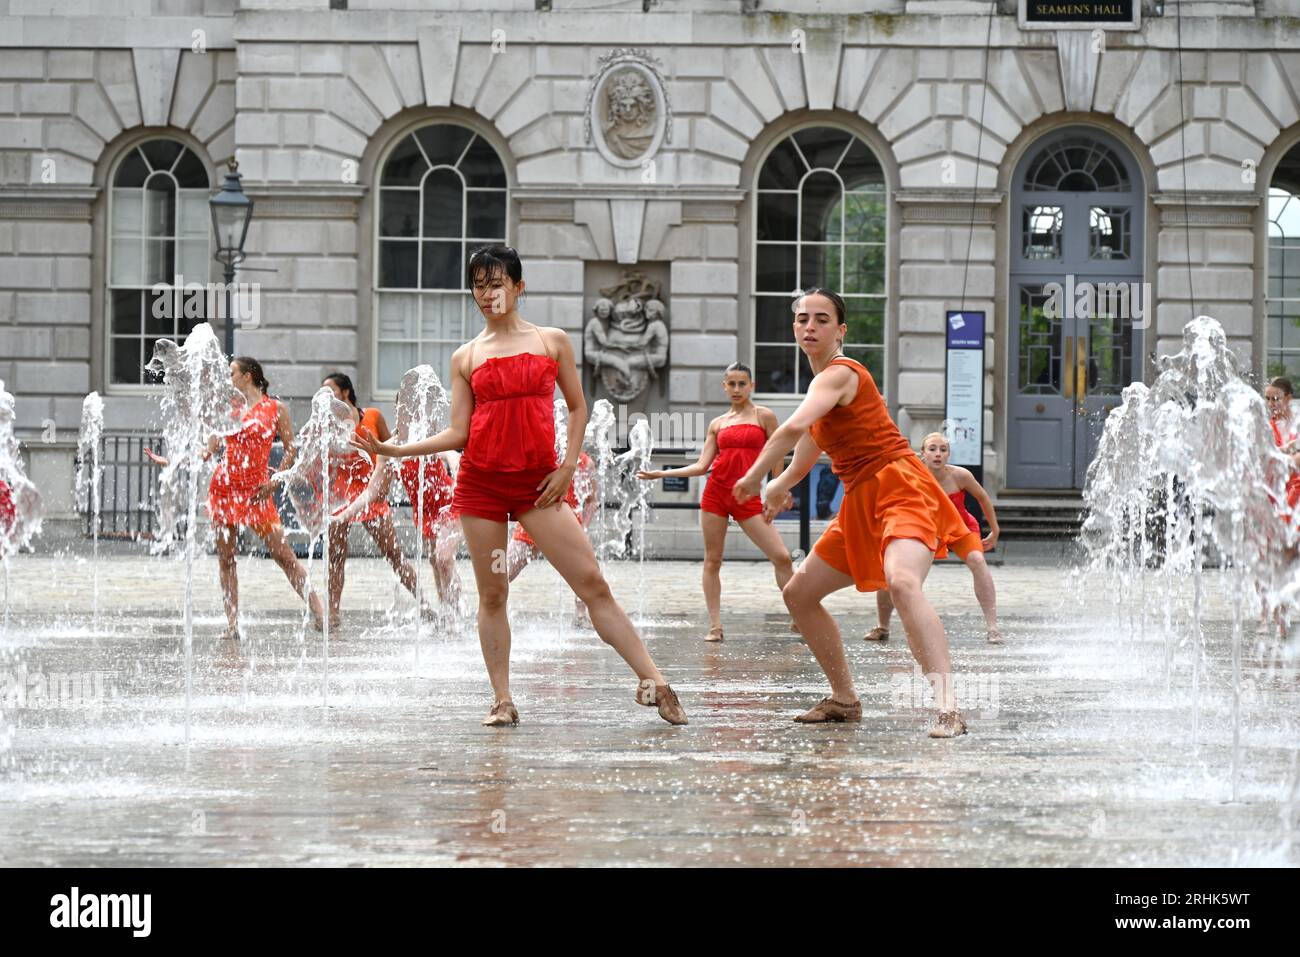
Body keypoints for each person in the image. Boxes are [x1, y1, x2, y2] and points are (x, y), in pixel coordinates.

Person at [352, 243, 687, 727]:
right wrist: (394, 450)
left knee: (593, 584)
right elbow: (459, 433)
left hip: (540, 488)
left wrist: (568, 466)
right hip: (482, 489)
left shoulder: (551, 342)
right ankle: (502, 700)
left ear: (518, 287)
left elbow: (577, 407)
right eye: (479, 286)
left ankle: (656, 682)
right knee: (493, 595)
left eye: (497, 283)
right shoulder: (466, 357)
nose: (488, 294)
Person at [732, 289, 980, 738]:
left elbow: (791, 427)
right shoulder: (822, 385)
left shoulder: (842, 373)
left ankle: (949, 708)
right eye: (803, 318)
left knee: (903, 583)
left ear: (840, 330)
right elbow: (811, 442)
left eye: (822, 319)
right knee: (798, 595)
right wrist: (782, 484)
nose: (810, 326)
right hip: (861, 504)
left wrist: (754, 479)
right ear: (794, 327)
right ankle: (844, 699)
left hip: (901, 488)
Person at [145, 357, 324, 639]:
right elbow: (207, 453)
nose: (228, 379)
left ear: (248, 376)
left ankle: (318, 610)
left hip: (257, 493)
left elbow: (291, 448)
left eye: (232, 373)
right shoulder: (229, 410)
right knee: (226, 559)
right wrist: (171, 461)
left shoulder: (276, 408)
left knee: (284, 555)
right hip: (224, 490)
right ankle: (232, 624)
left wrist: (275, 480)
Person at [637, 362, 795, 641]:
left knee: (781, 556)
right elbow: (701, 466)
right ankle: (715, 626)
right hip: (715, 495)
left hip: (747, 498)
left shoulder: (764, 416)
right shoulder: (718, 423)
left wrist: (778, 489)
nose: (736, 389)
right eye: (731, 384)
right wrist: (662, 473)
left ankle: (799, 614)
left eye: (741, 384)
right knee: (713, 561)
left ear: (751, 386)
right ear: (724, 386)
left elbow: (777, 455)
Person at [864, 432, 1003, 644]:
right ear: (923, 453)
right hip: (926, 528)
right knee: (895, 569)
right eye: (932, 449)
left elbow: (983, 498)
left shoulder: (961, 475)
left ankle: (993, 627)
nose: (938, 454)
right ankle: (883, 626)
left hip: (960, 527)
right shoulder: (911, 474)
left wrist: (994, 530)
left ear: (948, 454)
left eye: (943, 450)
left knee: (977, 560)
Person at [320, 372, 425, 629]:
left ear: (345, 393)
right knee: (335, 557)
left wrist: (387, 483)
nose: (325, 397)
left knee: (394, 555)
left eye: (330, 391)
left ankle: (424, 604)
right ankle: (332, 613)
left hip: (371, 493)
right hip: (341, 497)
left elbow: (391, 447)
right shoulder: (327, 423)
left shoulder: (373, 417)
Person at [507, 446, 597, 626]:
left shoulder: (585, 463)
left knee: (587, 572)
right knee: (505, 568)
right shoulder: (538, 455)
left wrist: (584, 528)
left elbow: (592, 500)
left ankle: (581, 615)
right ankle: (490, 606)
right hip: (535, 517)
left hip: (568, 521)